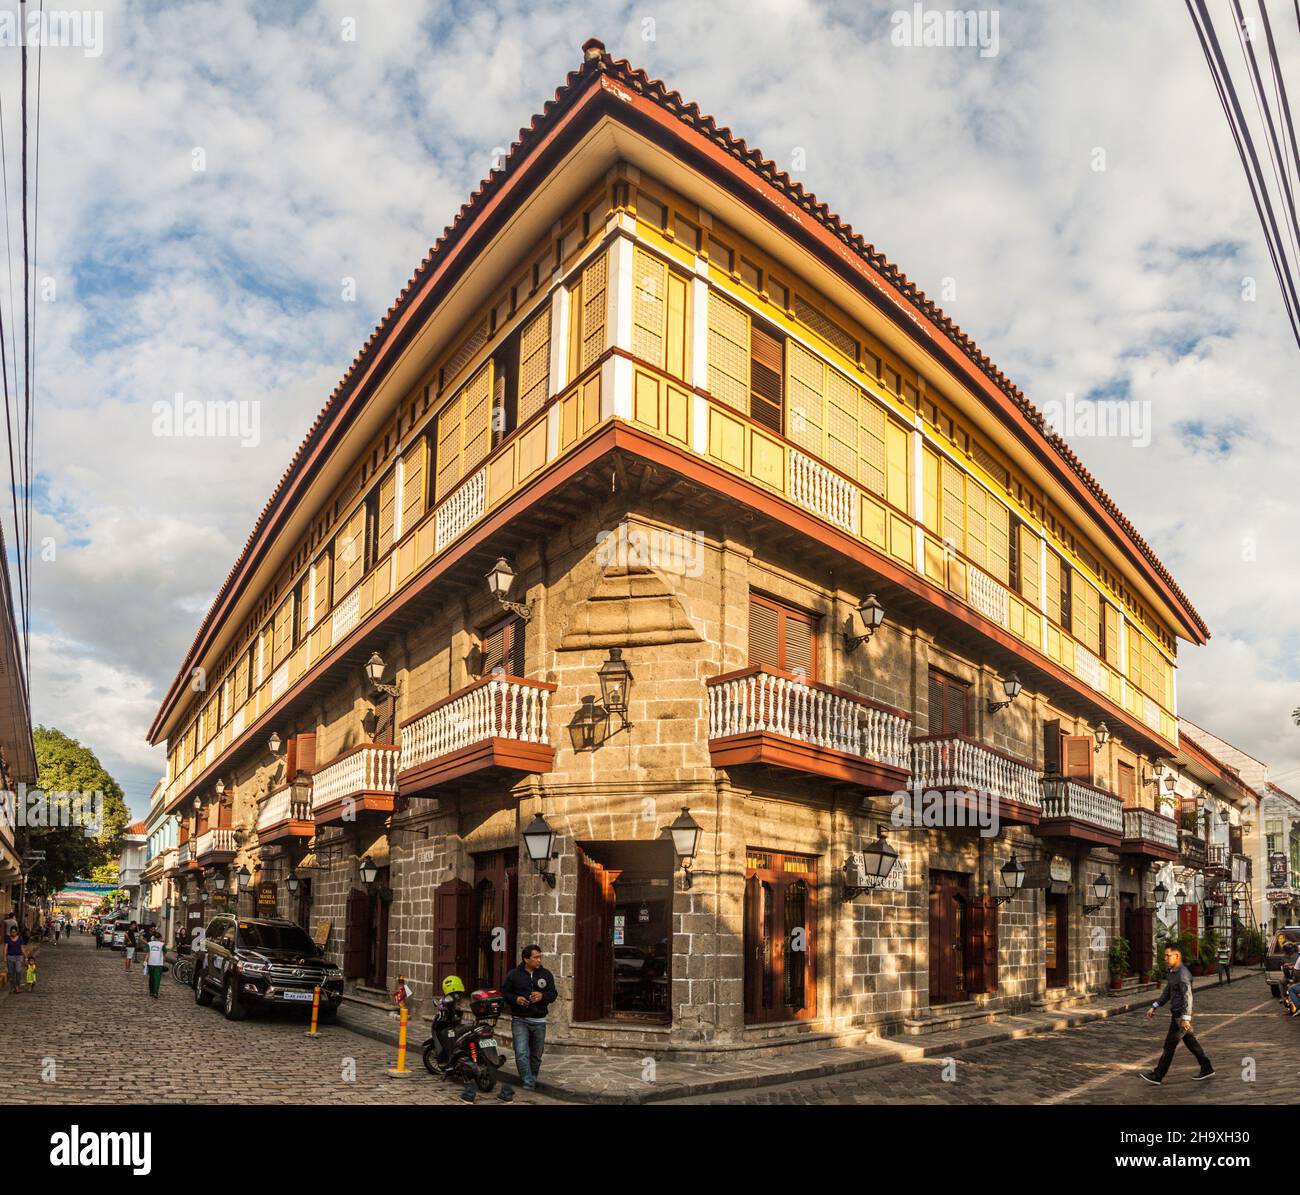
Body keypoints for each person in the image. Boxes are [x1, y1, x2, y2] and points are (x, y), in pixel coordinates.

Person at [1141, 946, 1214, 1085]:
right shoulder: (1172, 972)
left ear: (1177, 957)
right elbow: (1167, 992)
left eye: (1168, 956)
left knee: (1169, 1047)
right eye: (1165, 955)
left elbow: (1188, 997)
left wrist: (1186, 1018)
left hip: (1180, 1016)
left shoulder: (1183, 974)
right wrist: (1155, 1006)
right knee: (1191, 1044)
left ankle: (1158, 1075)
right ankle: (1207, 1068)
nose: (1165, 958)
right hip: (1176, 1015)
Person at [502, 944, 557, 1091]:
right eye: (536, 957)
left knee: (536, 1055)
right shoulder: (513, 975)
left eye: (540, 957)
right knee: (521, 1053)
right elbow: (505, 993)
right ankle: (528, 1082)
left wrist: (542, 996)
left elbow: (553, 994)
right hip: (520, 1020)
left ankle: (531, 1079)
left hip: (539, 1021)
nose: (539, 960)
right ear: (526, 959)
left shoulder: (546, 974)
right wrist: (516, 999)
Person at [144, 931, 166, 999]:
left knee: (151, 978)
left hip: (150, 962)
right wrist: (164, 959)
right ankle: (155, 992)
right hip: (158, 963)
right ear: (159, 938)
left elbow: (148, 953)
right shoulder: (162, 944)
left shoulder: (149, 944)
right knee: (157, 978)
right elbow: (164, 953)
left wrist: (145, 961)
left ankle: (151, 991)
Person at [5, 925, 25, 993]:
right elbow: (5, 948)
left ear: (16, 932)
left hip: (19, 957)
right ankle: (13, 987)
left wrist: (26, 957)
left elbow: (22, 948)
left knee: (18, 971)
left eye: (14, 932)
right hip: (10, 957)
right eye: (11, 932)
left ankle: (17, 986)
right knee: (11, 973)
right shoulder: (8, 938)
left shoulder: (20, 938)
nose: (12, 933)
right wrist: (5, 957)